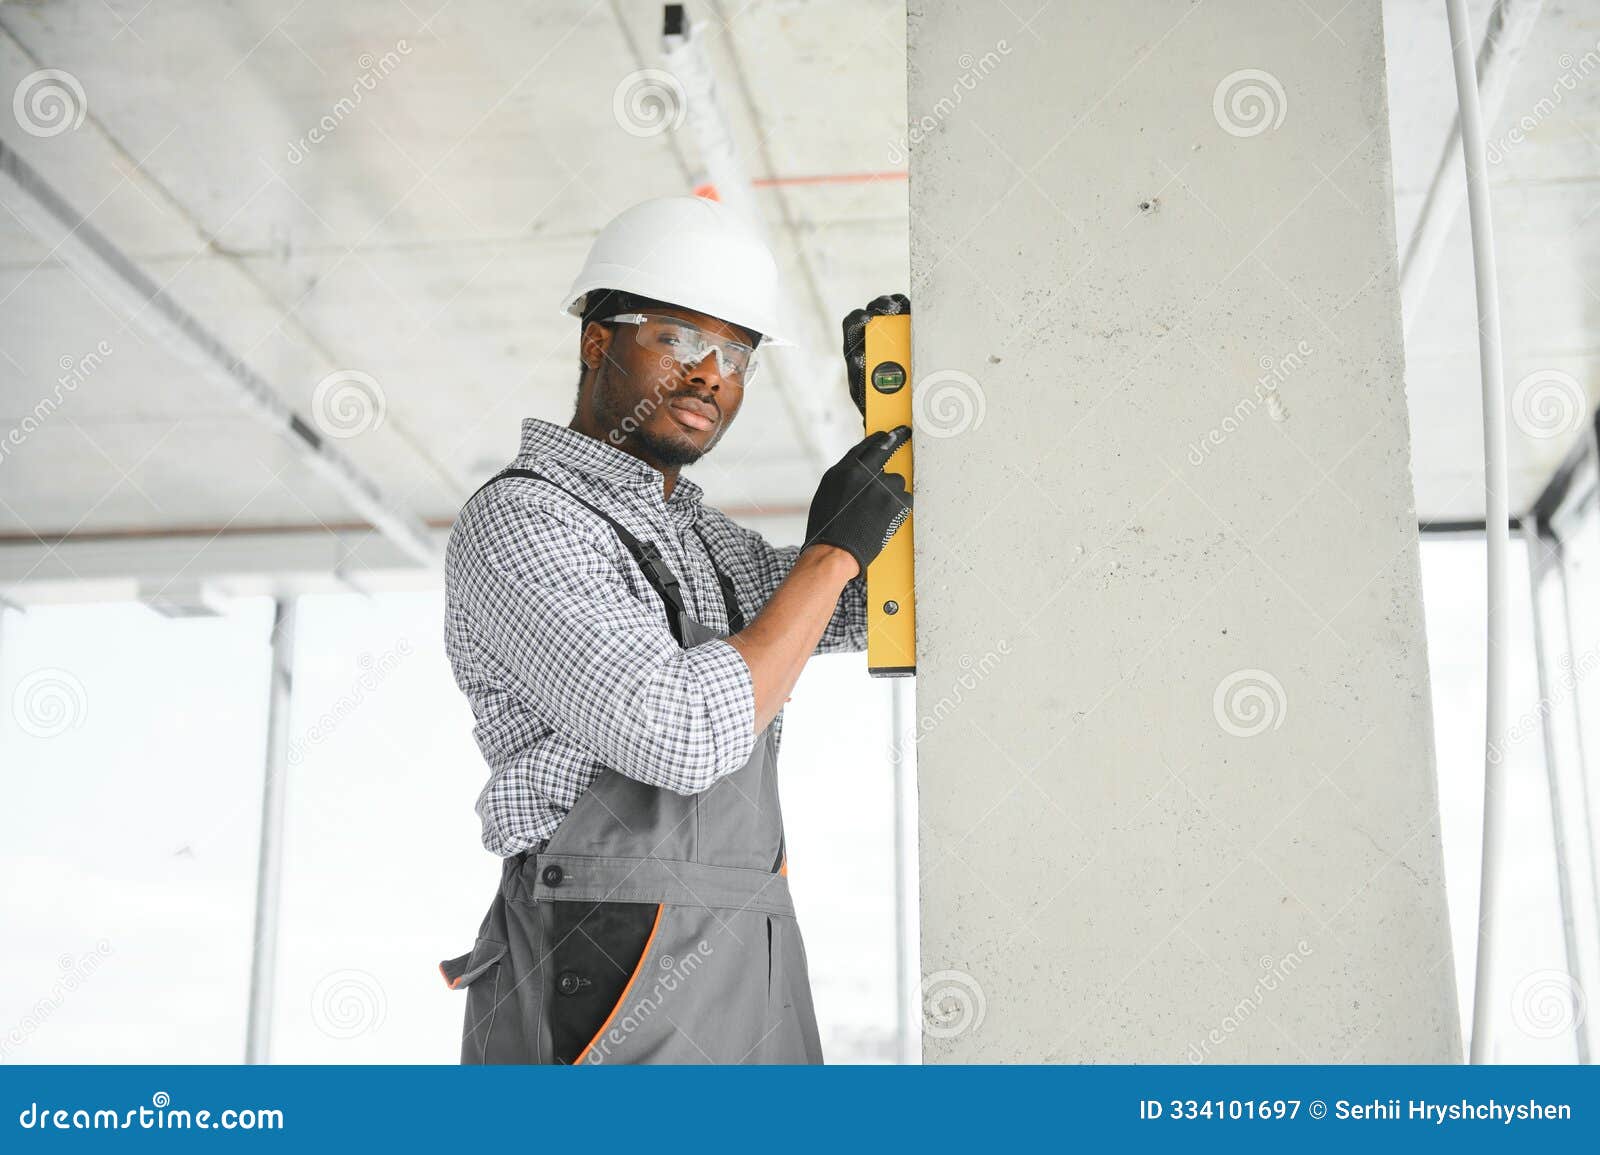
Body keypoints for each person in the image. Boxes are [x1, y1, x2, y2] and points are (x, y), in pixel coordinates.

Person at [438, 195, 911, 1064]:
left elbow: (871, 605)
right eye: (679, 338)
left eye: (735, 353)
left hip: (754, 947)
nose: (711, 374)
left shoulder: (705, 542)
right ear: (597, 342)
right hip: (606, 951)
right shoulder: (525, 522)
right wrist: (830, 551)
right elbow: (679, 733)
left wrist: (900, 429)